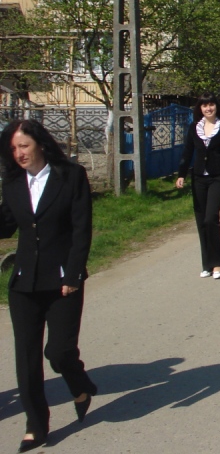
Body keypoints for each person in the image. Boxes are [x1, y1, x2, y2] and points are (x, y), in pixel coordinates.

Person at [0, 120, 97, 451]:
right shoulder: (13, 183)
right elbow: (7, 226)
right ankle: (35, 425)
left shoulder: (70, 176)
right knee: (26, 359)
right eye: (13, 149)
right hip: (24, 282)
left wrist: (73, 275)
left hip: (62, 280)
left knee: (58, 351)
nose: (19, 154)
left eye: (23, 146)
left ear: (40, 143)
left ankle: (79, 382)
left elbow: (82, 229)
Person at [175, 93, 220, 280]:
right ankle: (206, 263)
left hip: (217, 178)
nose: (208, 108)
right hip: (198, 179)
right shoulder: (193, 128)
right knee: (200, 221)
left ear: (216, 107)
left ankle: (217, 263)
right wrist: (181, 174)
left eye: (211, 105)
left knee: (211, 218)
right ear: (200, 108)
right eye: (204, 105)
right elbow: (187, 151)